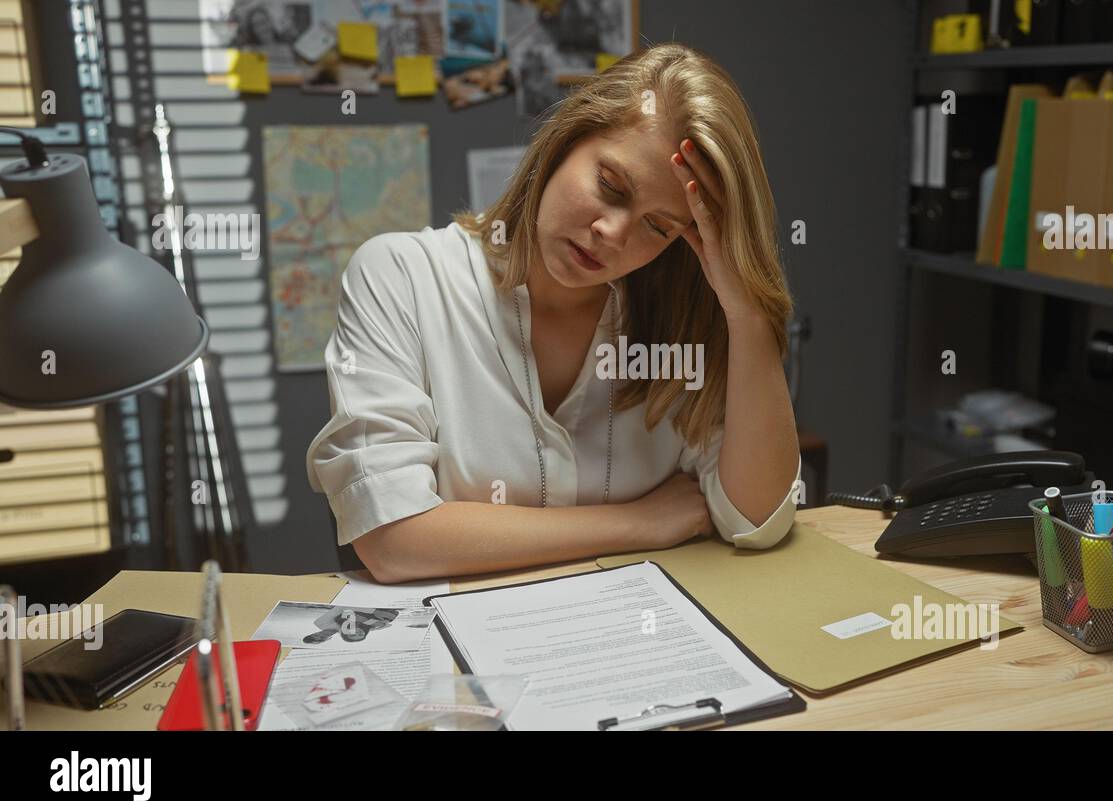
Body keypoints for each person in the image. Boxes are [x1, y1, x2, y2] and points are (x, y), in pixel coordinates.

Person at [306, 43, 800, 583]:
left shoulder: (680, 323)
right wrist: (637, 523)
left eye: (658, 227)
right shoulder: (400, 275)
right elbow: (394, 540)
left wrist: (747, 313)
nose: (613, 233)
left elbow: (756, 522)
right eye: (609, 185)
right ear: (566, 140)